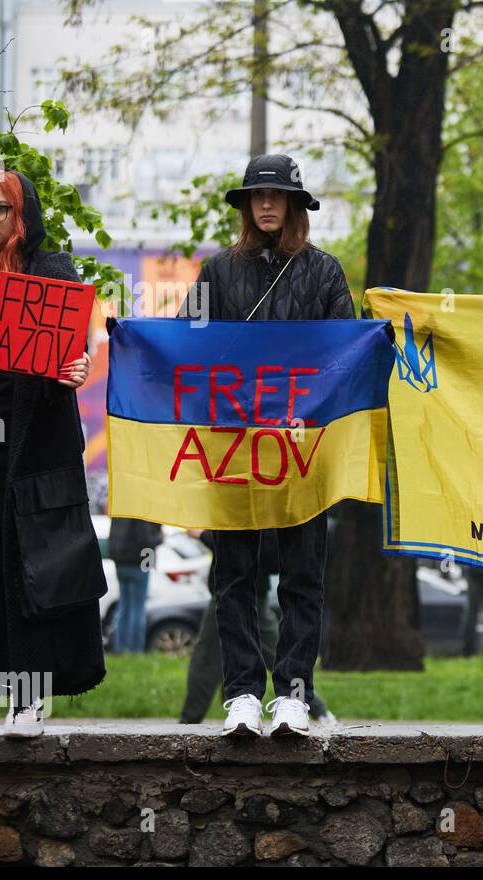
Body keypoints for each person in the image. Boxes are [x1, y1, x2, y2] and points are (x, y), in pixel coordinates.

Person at [181, 154, 355, 738]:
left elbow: (346, 355)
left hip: (303, 451)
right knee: (234, 574)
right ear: (246, 205)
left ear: (295, 205)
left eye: (276, 196)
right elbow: (186, 346)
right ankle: (242, 696)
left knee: (304, 574)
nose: (265, 204)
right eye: (256, 195)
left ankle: (294, 697)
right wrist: (134, 341)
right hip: (233, 446)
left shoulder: (325, 273)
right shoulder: (217, 272)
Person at [0, 168, 104, 737]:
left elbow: (72, 352)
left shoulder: (49, 270)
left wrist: (76, 369)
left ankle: (28, 699)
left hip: (29, 450)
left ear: (22, 216)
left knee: (32, 574)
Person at [180, 530, 337, 725]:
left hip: (252, 592)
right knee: (238, 652)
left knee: (207, 658)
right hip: (240, 591)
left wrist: (203, 535)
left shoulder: (268, 512)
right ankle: (242, 699)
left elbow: (266, 549)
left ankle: (191, 719)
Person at [107, 518, 162, 654]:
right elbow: (147, 540)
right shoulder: (141, 511)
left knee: (124, 607)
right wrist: (160, 537)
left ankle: (120, 648)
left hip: (120, 561)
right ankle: (135, 650)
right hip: (140, 561)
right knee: (138, 608)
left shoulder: (120, 508)